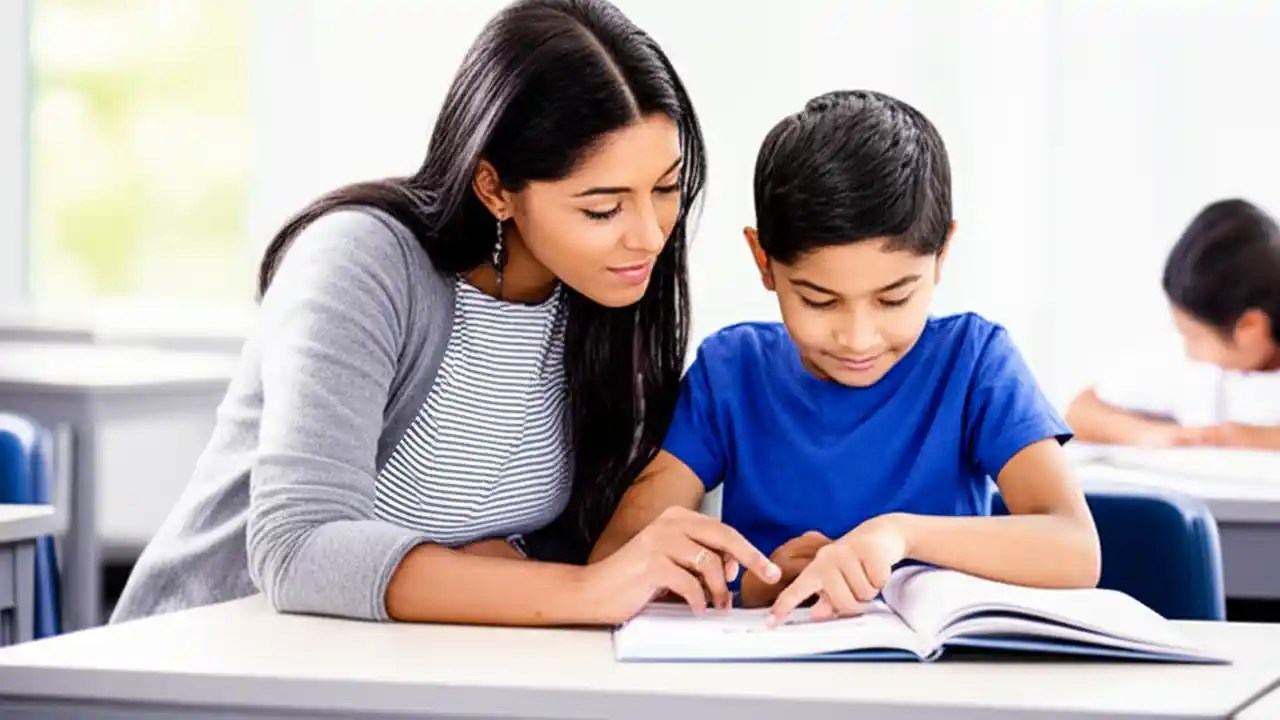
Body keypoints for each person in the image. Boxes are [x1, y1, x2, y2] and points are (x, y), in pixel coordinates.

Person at [112, 0, 778, 627]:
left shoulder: (601, 304)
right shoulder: (363, 261)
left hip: (399, 674)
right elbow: (298, 546)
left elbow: (536, 553)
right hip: (204, 660)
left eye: (666, 189)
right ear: (495, 188)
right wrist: (582, 589)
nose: (649, 236)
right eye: (602, 208)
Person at [591, 90, 1100, 626]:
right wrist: (752, 585)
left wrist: (899, 534)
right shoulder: (730, 372)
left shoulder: (974, 363)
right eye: (819, 300)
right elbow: (616, 559)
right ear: (763, 261)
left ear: (942, 255)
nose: (859, 339)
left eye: (894, 298)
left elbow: (1075, 548)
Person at [1067, 199, 1280, 451]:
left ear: (1250, 326)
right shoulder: (1193, 371)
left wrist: (1239, 438)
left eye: (1194, 337)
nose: (1189, 350)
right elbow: (1081, 412)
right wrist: (1155, 435)